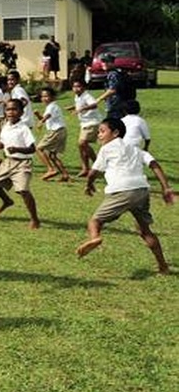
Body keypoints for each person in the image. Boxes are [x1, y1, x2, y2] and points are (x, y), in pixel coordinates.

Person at [76, 117, 173, 274]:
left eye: (102, 131)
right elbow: (154, 164)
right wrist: (166, 187)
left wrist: (89, 185)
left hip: (122, 190)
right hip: (141, 191)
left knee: (95, 221)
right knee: (145, 231)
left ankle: (95, 238)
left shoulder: (106, 148)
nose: (99, 135)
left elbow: (93, 172)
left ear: (115, 133)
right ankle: (163, 266)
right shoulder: (135, 148)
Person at [0, 98, 41, 229]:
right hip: (8, 162)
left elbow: (32, 148)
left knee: (23, 190)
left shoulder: (23, 128)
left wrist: (17, 149)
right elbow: (2, 144)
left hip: (22, 163)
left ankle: (34, 219)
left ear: (21, 112)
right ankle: (7, 201)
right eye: (8, 109)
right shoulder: (6, 126)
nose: (11, 112)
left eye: (14, 109)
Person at [33, 87, 70, 182]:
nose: (44, 98)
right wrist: (38, 116)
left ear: (52, 97)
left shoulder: (52, 106)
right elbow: (46, 118)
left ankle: (50, 169)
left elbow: (47, 116)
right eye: (42, 96)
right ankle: (65, 175)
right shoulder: (52, 107)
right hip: (61, 131)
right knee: (52, 156)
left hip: (55, 131)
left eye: (46, 96)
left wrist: (41, 122)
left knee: (38, 148)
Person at [68, 79, 102, 177]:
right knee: (81, 146)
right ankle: (85, 168)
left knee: (82, 143)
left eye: (78, 86)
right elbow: (79, 105)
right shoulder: (77, 97)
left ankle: (97, 166)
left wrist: (82, 109)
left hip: (93, 122)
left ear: (84, 87)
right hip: (84, 123)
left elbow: (94, 105)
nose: (76, 89)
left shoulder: (87, 96)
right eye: (74, 87)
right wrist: (73, 107)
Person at [94, 55, 132, 120]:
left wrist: (99, 99)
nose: (104, 64)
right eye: (103, 62)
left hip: (116, 106)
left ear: (112, 63)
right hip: (116, 105)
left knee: (113, 125)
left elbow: (113, 90)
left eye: (107, 62)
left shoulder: (113, 74)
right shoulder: (113, 73)